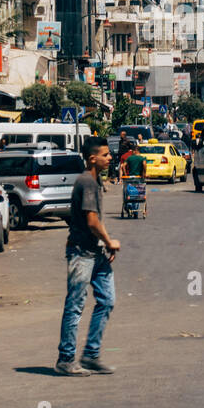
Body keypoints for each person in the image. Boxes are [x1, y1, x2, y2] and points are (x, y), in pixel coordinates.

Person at [55, 137, 121, 377]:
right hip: (81, 253)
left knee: (107, 299)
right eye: (106, 155)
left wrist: (105, 245)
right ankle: (66, 359)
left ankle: (91, 355)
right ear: (93, 158)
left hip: (95, 253)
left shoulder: (95, 181)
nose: (110, 158)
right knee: (75, 305)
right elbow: (92, 221)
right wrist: (109, 240)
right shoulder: (87, 182)